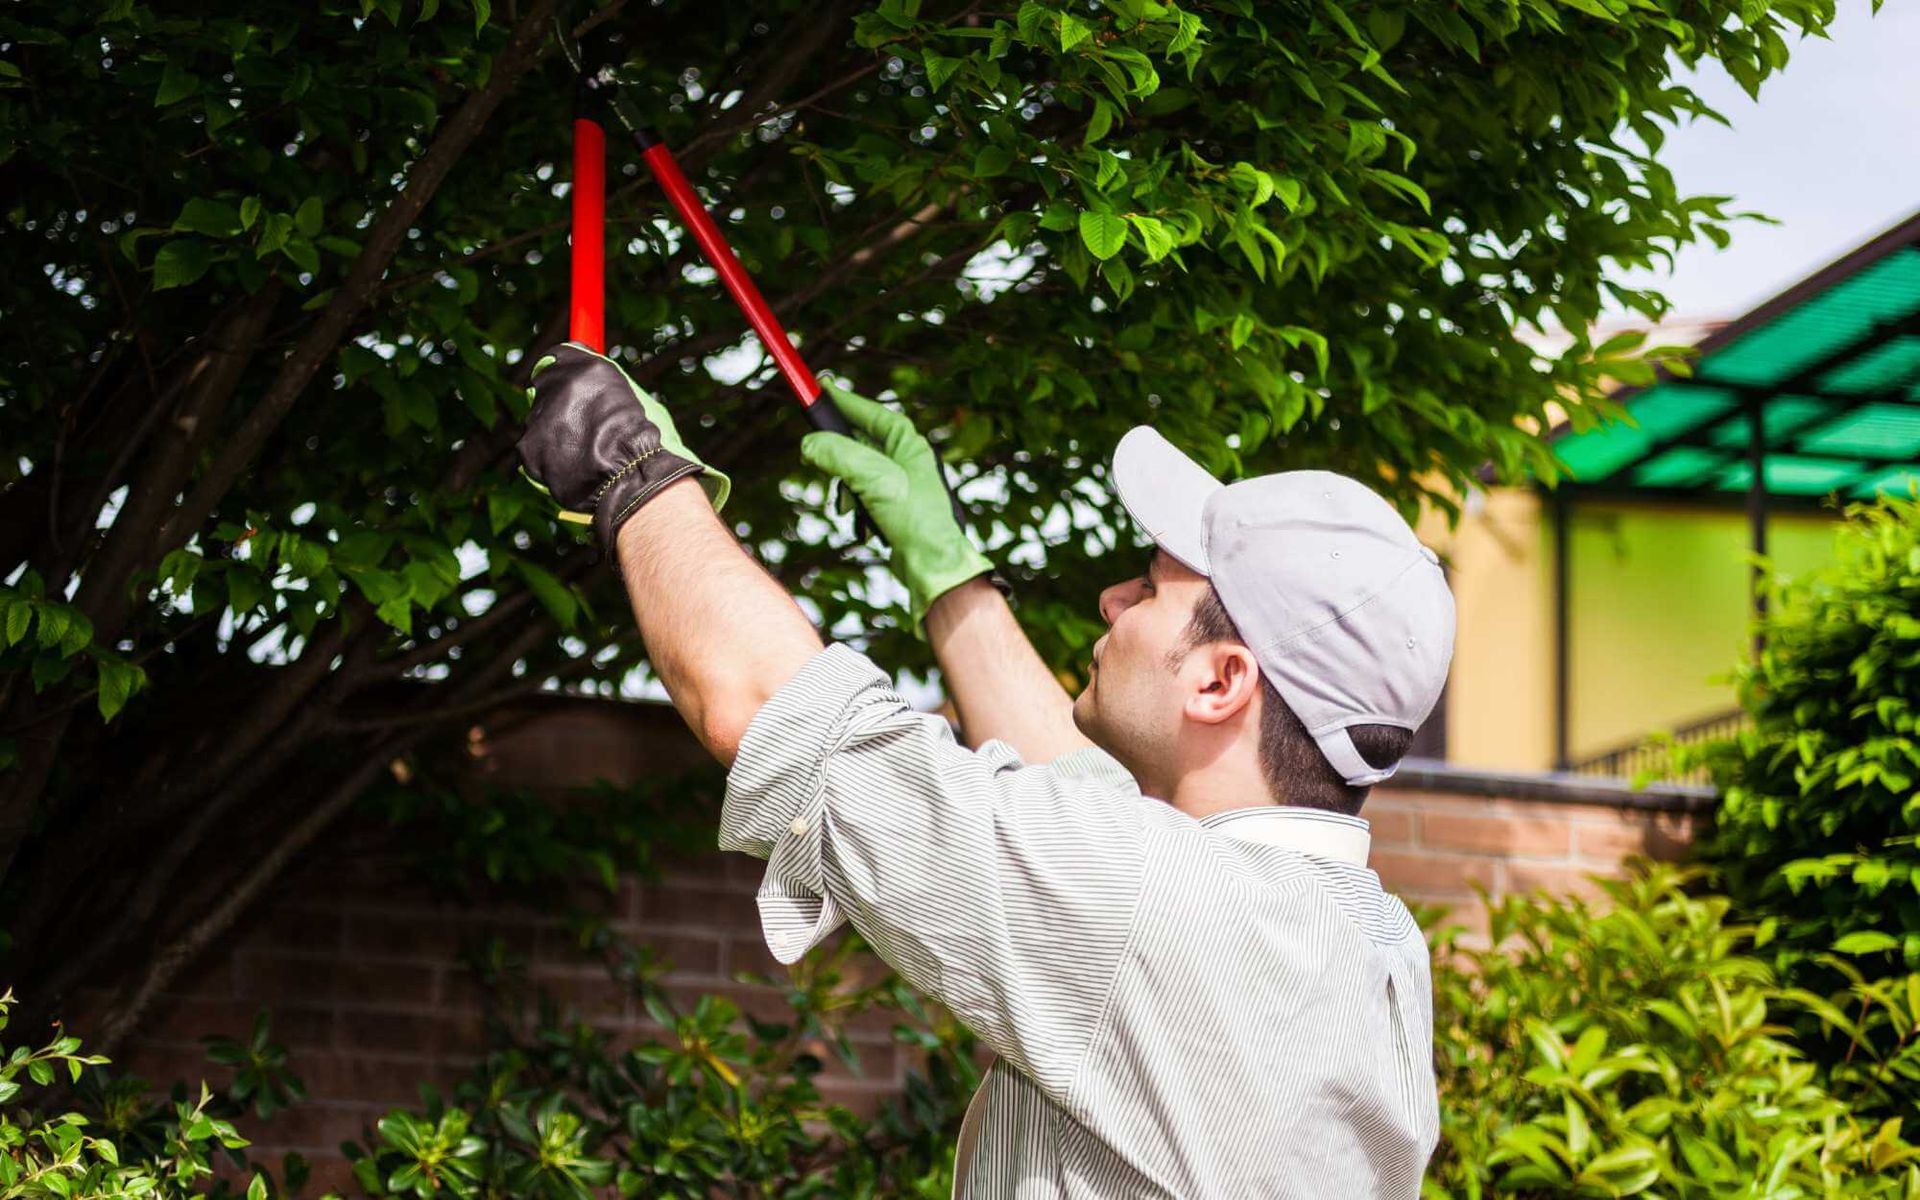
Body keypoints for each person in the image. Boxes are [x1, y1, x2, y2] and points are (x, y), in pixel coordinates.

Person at [516, 343, 1456, 1199]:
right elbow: (1079, 804)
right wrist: (945, 566)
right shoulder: (1368, 939)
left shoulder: (1158, 901)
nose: (1113, 598)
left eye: (1152, 587)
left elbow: (774, 713)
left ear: (1220, 680)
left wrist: (636, 473)